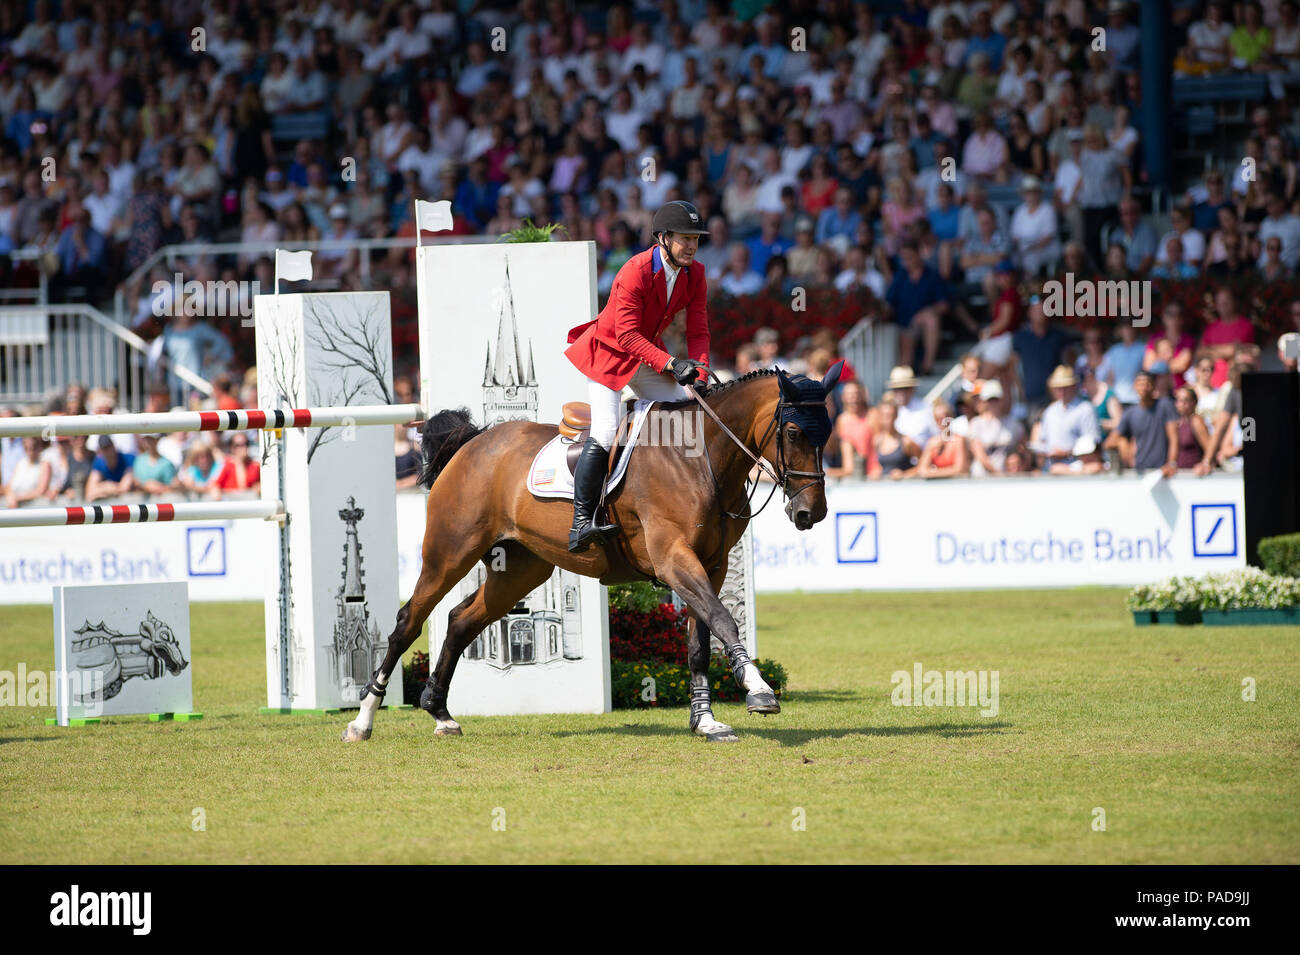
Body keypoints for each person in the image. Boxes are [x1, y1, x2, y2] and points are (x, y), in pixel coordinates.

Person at [564, 200, 710, 552]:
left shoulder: (696, 273)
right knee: (604, 428)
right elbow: (627, 336)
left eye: (695, 238)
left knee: (685, 408)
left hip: (645, 356)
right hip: (609, 355)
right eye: (683, 238)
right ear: (662, 238)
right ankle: (581, 521)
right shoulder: (635, 270)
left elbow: (699, 329)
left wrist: (701, 369)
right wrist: (673, 365)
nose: (691, 245)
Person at [1107, 370, 1177, 473]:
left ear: (1154, 386)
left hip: (1162, 470)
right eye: (1140, 384)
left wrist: (1171, 463)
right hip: (1139, 470)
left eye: (1147, 384)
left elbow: (1174, 438)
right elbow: (1110, 442)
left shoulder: (1165, 405)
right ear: (1134, 386)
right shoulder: (1130, 413)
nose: (1144, 387)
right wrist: (1123, 443)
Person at [1037, 365, 1102, 471]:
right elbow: (1043, 441)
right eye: (1058, 388)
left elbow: (1092, 444)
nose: (1061, 391)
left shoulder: (1085, 409)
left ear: (1074, 386)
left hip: (1076, 467)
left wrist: (1067, 453)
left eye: (1065, 387)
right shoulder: (1050, 411)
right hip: (1051, 468)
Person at [966, 379, 1023, 476]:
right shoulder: (976, 423)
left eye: (996, 399)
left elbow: (1022, 449)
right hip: (982, 476)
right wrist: (998, 474)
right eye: (990, 400)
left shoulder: (1013, 424)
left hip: (1008, 477)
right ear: (984, 401)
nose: (993, 403)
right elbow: (980, 455)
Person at [869, 398, 920, 480]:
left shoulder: (906, 441)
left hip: (905, 487)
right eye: (883, 415)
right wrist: (876, 472)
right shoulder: (877, 441)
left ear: (896, 416)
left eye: (890, 415)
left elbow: (924, 465)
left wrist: (904, 474)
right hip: (884, 487)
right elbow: (876, 466)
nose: (887, 419)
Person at [1167, 385, 1212, 475]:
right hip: (1180, 475)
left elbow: (1209, 448)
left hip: (1195, 475)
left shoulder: (1196, 421)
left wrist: (1204, 464)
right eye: (1179, 400)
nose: (1182, 404)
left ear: (1194, 402)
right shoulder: (1177, 423)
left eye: (1186, 400)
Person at [917, 401, 969, 478]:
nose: (943, 422)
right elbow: (921, 470)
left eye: (946, 417)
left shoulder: (959, 440)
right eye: (939, 418)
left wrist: (931, 473)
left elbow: (960, 469)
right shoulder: (932, 442)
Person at [85, 435, 136, 501]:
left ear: (114, 446)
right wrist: (106, 486)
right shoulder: (99, 463)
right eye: (104, 449)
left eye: (109, 447)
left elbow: (124, 488)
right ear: (100, 451)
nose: (108, 452)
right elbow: (89, 493)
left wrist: (103, 488)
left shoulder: (128, 459)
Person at [210, 433, 260, 499]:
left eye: (246, 444)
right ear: (232, 448)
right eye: (238, 445)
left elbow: (259, 486)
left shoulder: (255, 466)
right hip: (230, 505)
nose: (243, 448)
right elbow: (214, 485)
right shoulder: (226, 464)